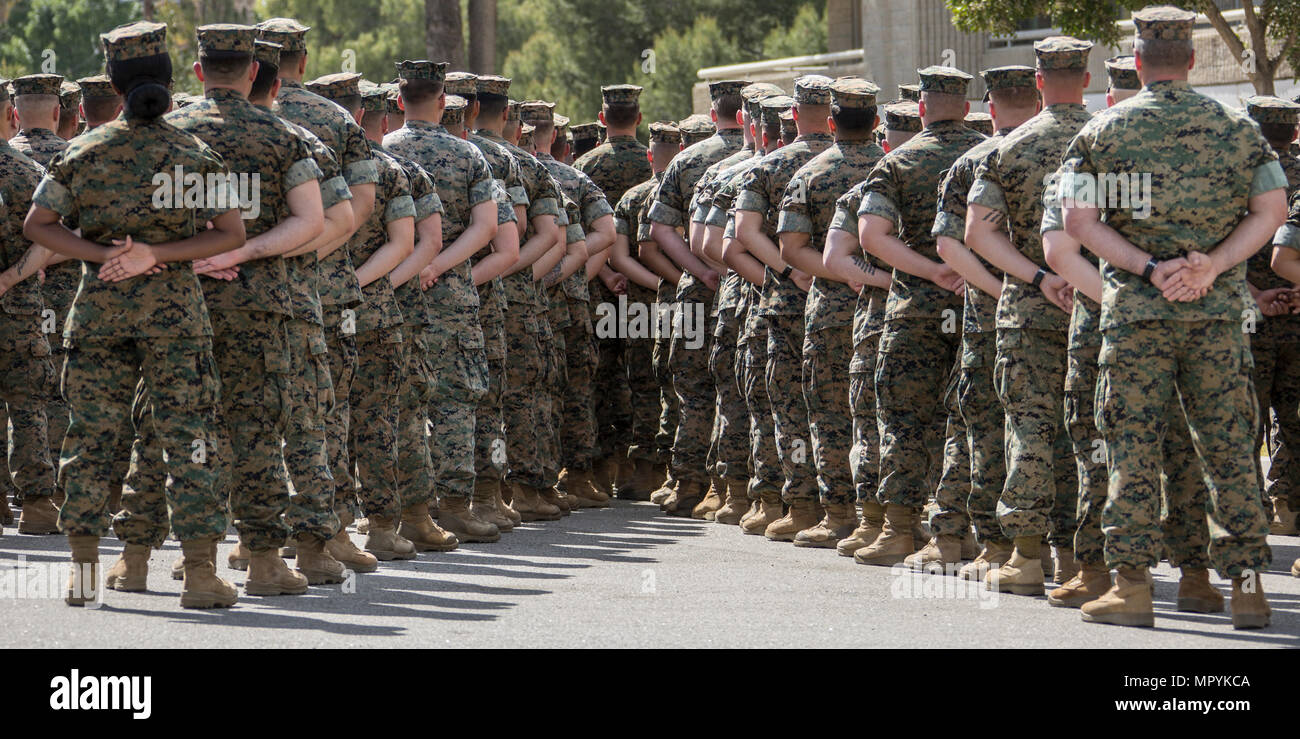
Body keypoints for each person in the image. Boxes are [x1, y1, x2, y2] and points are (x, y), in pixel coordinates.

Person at [1062, 4, 1284, 630]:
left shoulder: (1101, 133)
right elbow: (1271, 211)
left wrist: (1147, 267)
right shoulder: (1239, 129)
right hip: (1216, 318)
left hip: (1136, 316)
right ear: (1192, 61)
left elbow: (1080, 224)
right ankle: (1244, 588)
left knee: (1132, 445)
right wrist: (1210, 266)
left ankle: (1131, 587)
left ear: (1137, 61)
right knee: (1228, 445)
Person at [25, 20, 245, 609]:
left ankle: (84, 572)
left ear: (115, 85)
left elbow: (38, 227)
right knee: (191, 439)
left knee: (93, 437)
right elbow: (229, 234)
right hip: (175, 317)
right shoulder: (193, 154)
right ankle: (200, 575)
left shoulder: (84, 150)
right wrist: (158, 254)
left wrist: (104, 256)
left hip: (99, 313)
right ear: (170, 81)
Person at [965, 36, 1096, 591]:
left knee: (1031, 426)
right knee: (1089, 430)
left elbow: (977, 234)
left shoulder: (1007, 148)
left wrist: (1039, 277)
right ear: (1086, 79)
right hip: (1098, 303)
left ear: (1038, 80)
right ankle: (1082, 558)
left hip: (1029, 308)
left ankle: (1025, 556)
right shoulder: (1107, 140)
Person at [853, 67, 985, 566]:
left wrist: (932, 270)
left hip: (916, 309)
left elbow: (872, 237)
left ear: (923, 107)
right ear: (968, 106)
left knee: (905, 420)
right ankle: (962, 530)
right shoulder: (986, 155)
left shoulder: (899, 160)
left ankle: (900, 530)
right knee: (968, 418)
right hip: (978, 303)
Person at [384, 59, 502, 543]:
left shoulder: (380, 151)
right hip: (450, 291)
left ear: (397, 100)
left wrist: (408, 268)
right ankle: (454, 504)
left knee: (398, 399)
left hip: (392, 291)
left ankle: (398, 507)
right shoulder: (470, 155)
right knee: (455, 398)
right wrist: (442, 265)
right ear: (444, 102)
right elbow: (487, 227)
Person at [931, 65, 1040, 578]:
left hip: (993, 320)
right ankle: (1083, 557)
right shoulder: (1081, 148)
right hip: (1075, 312)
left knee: (985, 426)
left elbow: (952, 243)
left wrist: (1001, 291)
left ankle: (997, 548)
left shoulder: (976, 161)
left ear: (989, 107)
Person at [776, 77, 885, 547]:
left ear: (833, 120)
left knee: (830, 413)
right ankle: (884, 515)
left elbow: (791, 248)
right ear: (877, 122)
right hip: (888, 306)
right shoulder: (891, 167)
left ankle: (839, 513)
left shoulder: (811, 173)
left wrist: (841, 272)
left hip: (832, 311)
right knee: (885, 412)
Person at [646, 79, 748, 514]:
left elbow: (659, 232)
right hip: (745, 283)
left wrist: (699, 269)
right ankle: (730, 486)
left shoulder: (690, 160)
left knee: (691, 388)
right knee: (737, 386)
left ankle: (688, 482)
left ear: (713, 113)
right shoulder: (755, 159)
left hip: (694, 291)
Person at [0, 78, 59, 539]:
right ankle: (37, 505)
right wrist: (13, 275)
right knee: (29, 406)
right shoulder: (23, 172)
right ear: (8, 116)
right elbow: (50, 237)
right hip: (18, 310)